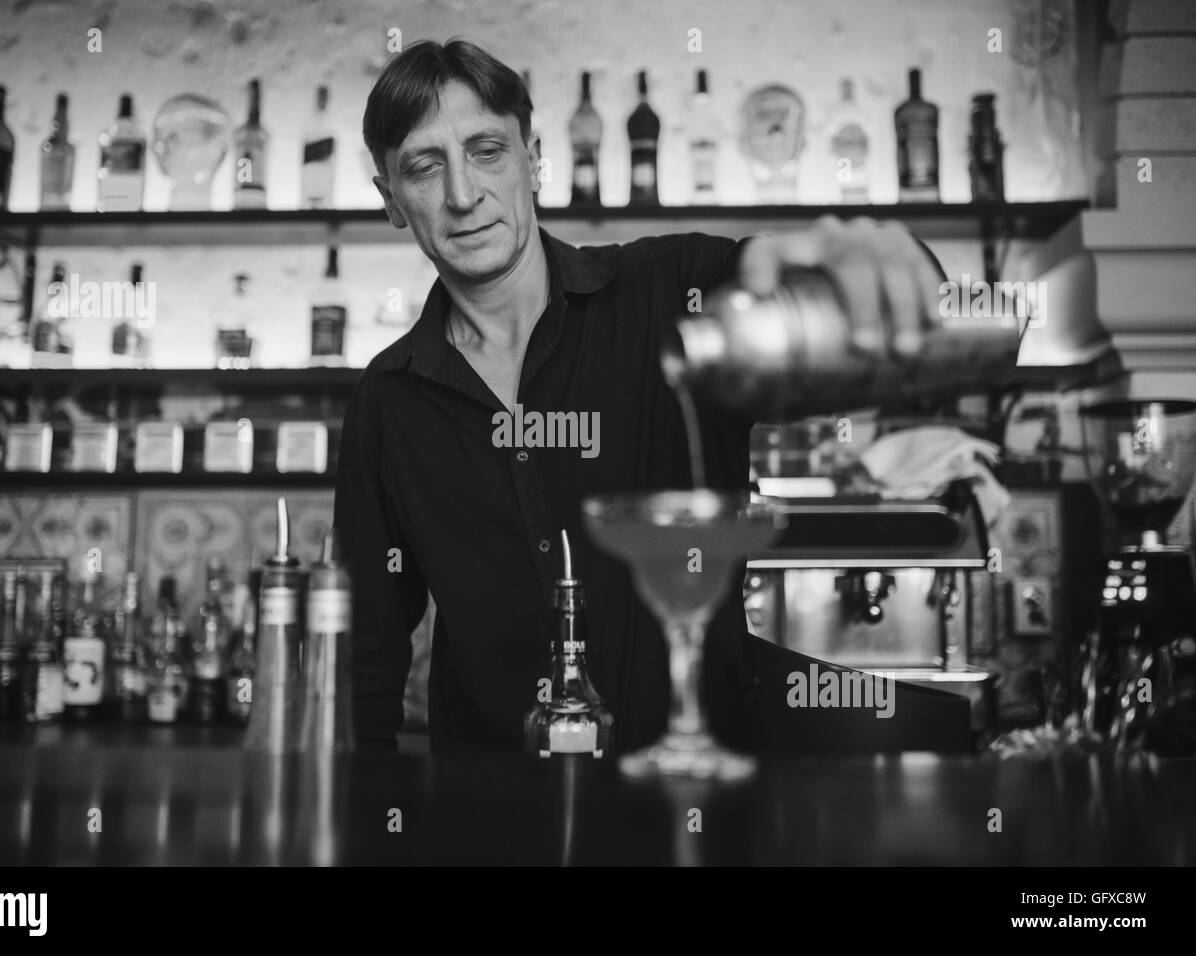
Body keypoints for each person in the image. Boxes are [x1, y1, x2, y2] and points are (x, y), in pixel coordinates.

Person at [335, 38, 968, 755]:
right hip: (490, 816)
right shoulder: (388, 401)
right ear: (390, 197)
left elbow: (860, 310)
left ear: (534, 158)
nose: (461, 193)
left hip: (697, 805)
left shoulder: (677, 291)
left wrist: (869, 263)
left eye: (486, 151)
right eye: (424, 166)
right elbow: (364, 662)